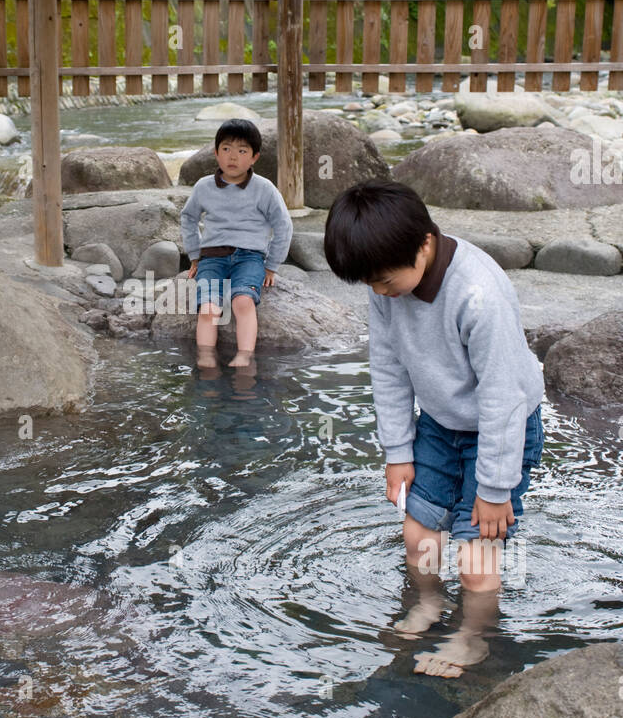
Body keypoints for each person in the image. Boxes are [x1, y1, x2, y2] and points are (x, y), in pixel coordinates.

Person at [323, 181, 545, 678]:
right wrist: (397, 451)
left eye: (384, 280)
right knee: (417, 530)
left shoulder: (477, 294)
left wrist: (494, 487)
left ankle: (474, 637)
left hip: (501, 429)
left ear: (423, 244)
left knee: (477, 554)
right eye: (370, 285)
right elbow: (388, 367)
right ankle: (428, 605)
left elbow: (504, 396)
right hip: (441, 426)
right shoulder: (388, 283)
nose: (379, 293)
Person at [179, 119, 293, 369]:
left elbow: (283, 224)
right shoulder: (204, 186)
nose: (233, 157)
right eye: (227, 149)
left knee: (243, 301)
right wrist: (195, 255)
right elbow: (188, 218)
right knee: (209, 308)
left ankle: (244, 356)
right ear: (216, 153)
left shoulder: (264, 188)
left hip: (249, 258)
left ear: (254, 157)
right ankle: (206, 357)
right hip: (212, 258)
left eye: (242, 151)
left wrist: (272, 265)